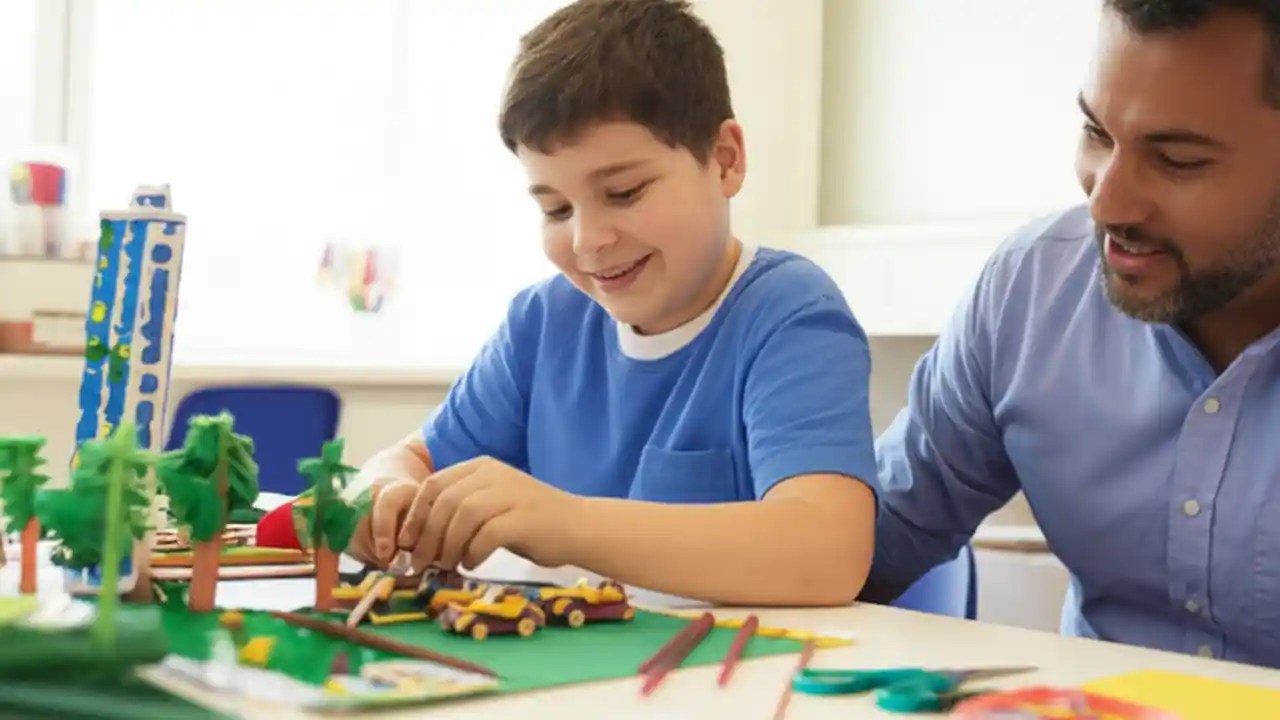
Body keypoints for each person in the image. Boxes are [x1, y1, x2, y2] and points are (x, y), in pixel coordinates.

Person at [257, 0, 879, 606]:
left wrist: (566, 524)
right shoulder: (544, 321)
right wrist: (383, 490)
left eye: (624, 191)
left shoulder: (789, 314)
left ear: (724, 161)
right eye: (554, 208)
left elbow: (828, 553)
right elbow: (413, 457)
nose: (587, 240)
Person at [863, 0, 1280, 667]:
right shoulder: (1033, 290)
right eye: (1097, 133)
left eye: (1176, 160)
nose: (1105, 202)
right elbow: (866, 545)